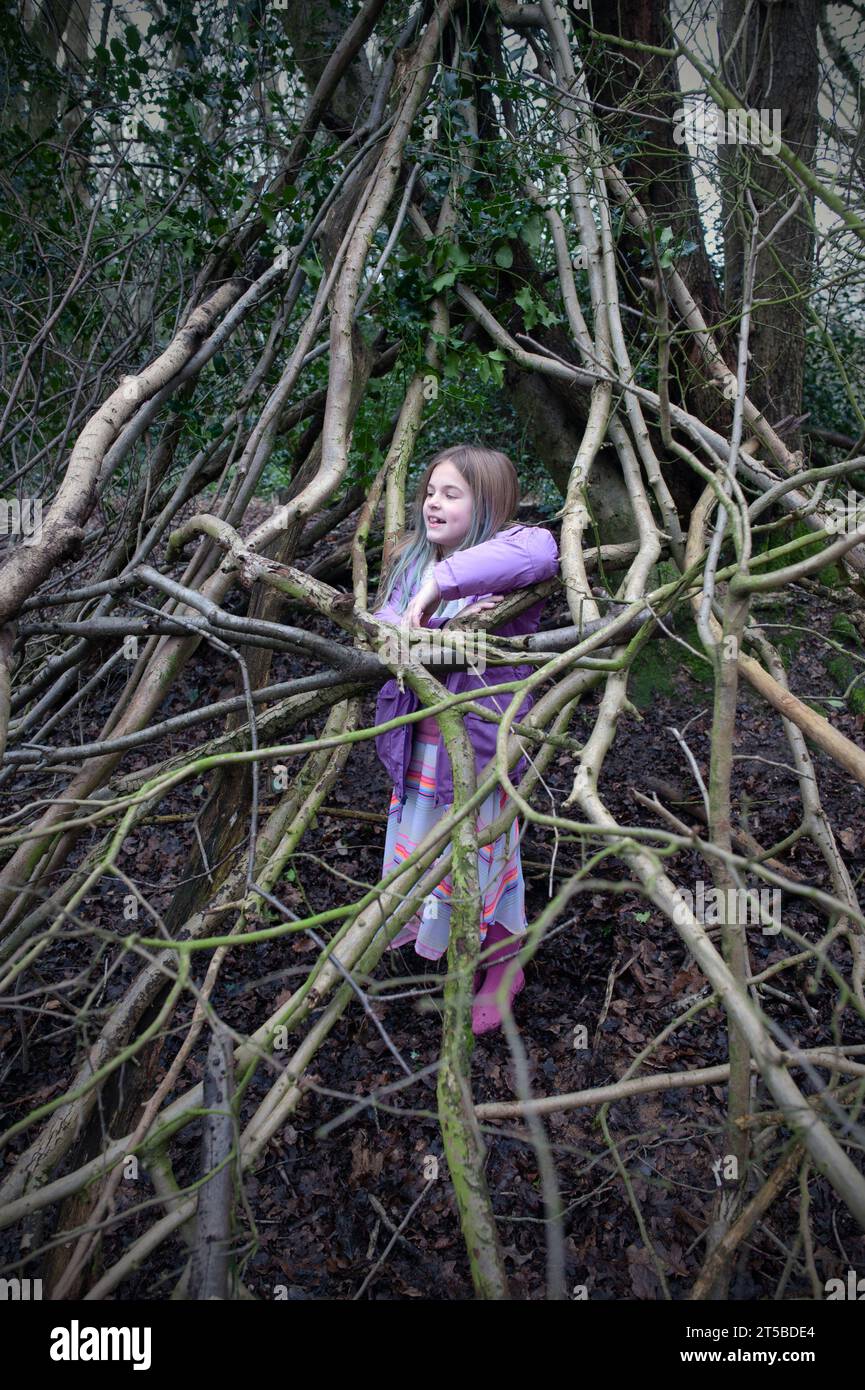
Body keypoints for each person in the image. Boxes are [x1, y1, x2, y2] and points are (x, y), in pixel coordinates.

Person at [369, 444, 559, 1035]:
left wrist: (437, 589)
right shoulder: (411, 561)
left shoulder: (511, 554)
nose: (433, 503)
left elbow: (542, 548)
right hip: (419, 748)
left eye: (451, 494)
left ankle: (502, 968)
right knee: (426, 853)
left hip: (476, 748)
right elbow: (385, 626)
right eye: (429, 491)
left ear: (489, 504)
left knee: (484, 853)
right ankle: (442, 942)